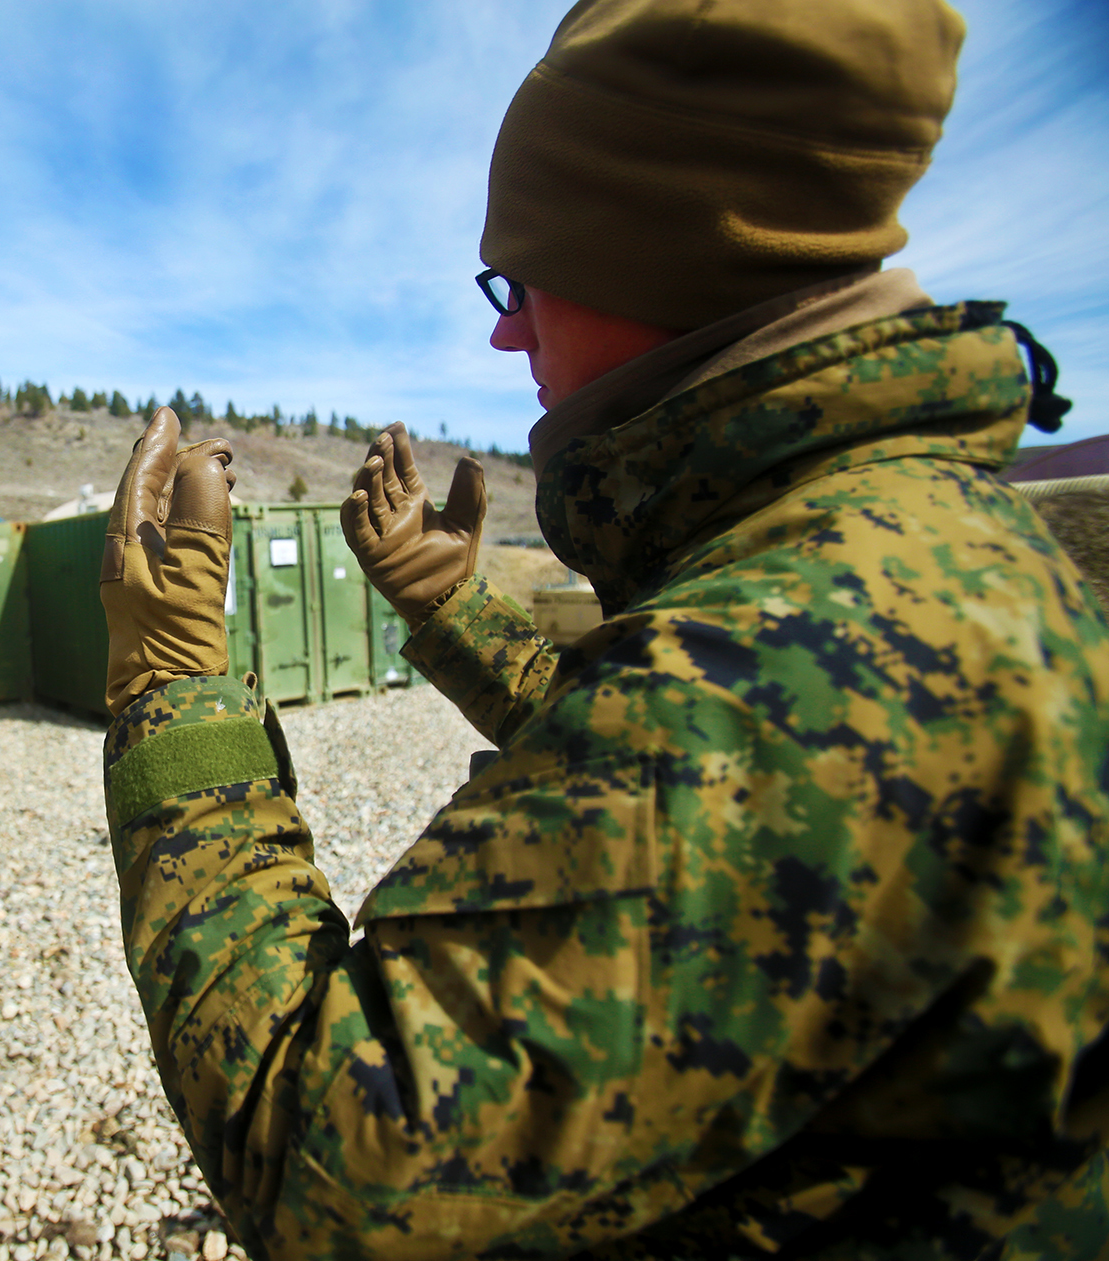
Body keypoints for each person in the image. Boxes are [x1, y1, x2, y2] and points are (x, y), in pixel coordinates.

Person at [96, 0, 1109, 1256]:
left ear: (651, 259)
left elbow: (334, 1162)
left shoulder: (764, 661)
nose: (504, 327)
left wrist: (172, 692)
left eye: (521, 279)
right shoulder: (905, 539)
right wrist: (449, 608)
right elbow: (692, 790)